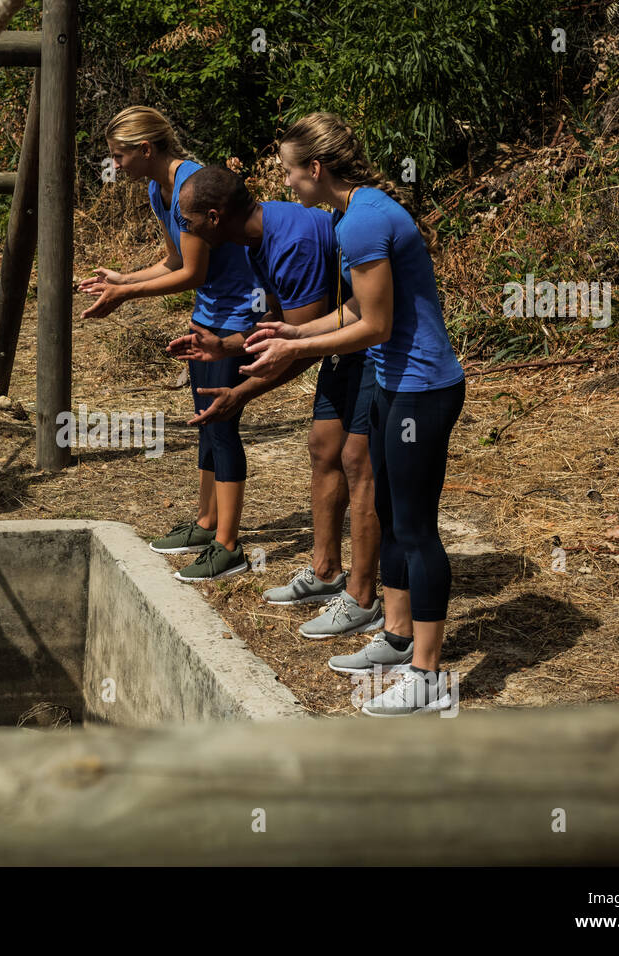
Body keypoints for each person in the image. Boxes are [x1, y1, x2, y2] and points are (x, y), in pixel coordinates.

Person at [239, 113, 466, 716]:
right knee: (390, 511)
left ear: (316, 169)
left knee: (416, 527)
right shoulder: (355, 213)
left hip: (422, 388)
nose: (285, 182)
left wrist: (295, 347)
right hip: (395, 383)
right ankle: (395, 636)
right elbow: (354, 313)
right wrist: (295, 327)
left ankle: (430, 676)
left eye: (289, 170)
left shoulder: (361, 223)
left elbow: (376, 326)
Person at [168, 165, 383, 639]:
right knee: (323, 448)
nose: (182, 230)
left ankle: (366, 599)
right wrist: (226, 347)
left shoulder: (292, 243)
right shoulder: (255, 240)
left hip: (371, 348)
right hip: (340, 345)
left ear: (214, 216)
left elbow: (303, 346)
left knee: (356, 462)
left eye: (187, 221)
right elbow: (280, 324)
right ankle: (326, 571)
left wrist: (241, 393)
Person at [78, 107, 258, 582]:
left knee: (222, 424)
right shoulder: (161, 190)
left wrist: (125, 295)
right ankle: (205, 523)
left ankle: (229, 544)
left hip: (235, 316)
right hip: (208, 311)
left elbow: (192, 274)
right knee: (204, 425)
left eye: (120, 156)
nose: (115, 165)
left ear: (146, 149)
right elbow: (174, 260)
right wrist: (123, 277)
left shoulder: (190, 187)